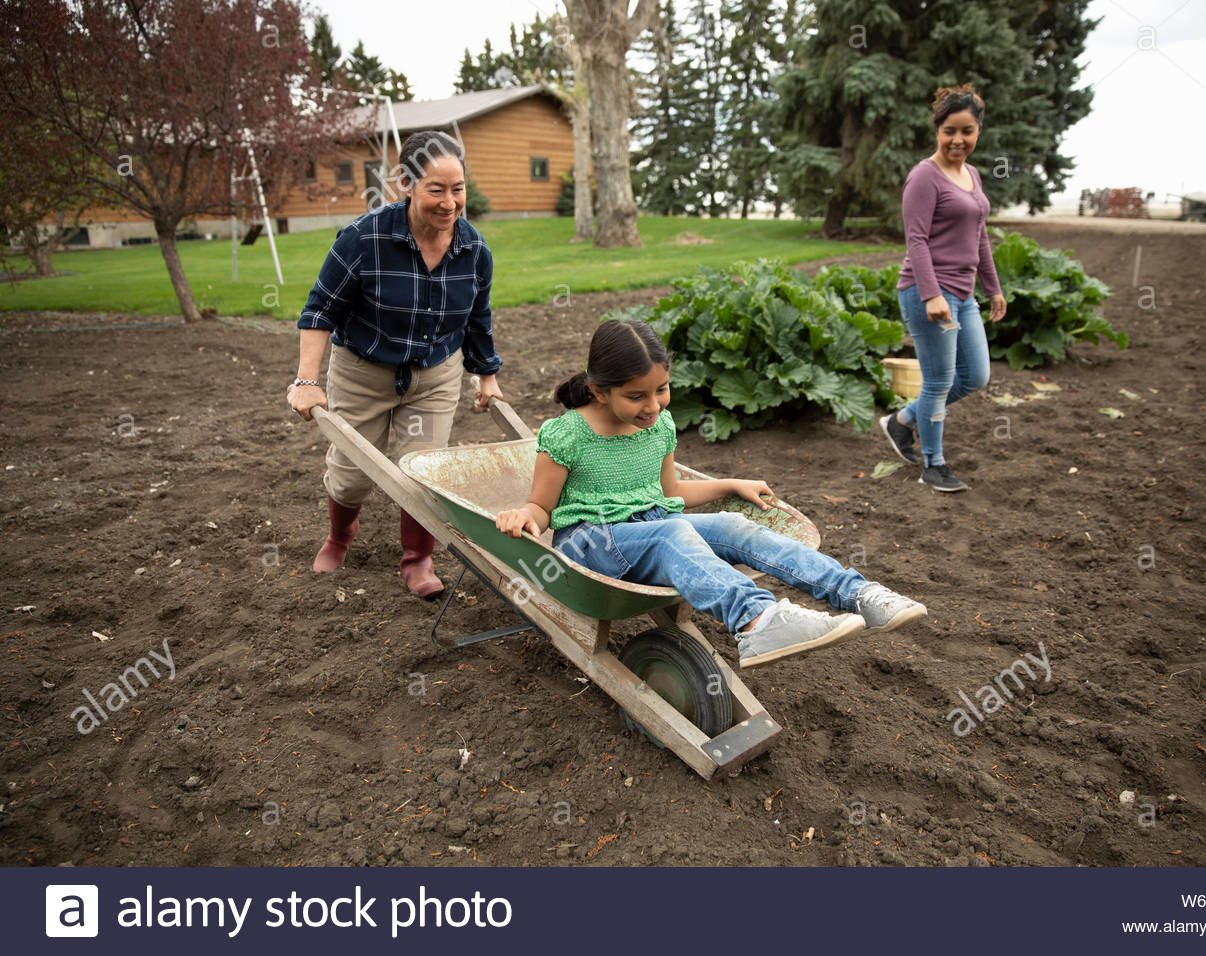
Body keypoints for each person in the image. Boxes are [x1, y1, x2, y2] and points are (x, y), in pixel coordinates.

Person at [495, 319, 927, 668]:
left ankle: (856, 594)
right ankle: (757, 621)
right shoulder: (568, 434)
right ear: (598, 390)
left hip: (650, 523)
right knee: (671, 537)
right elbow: (542, 506)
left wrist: (730, 484)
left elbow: (670, 491)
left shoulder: (660, 425)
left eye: (661, 389)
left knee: (734, 526)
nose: (653, 405)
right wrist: (525, 516)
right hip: (589, 541)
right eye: (635, 396)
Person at [287, 130, 504, 597]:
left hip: (435, 374)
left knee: (422, 470)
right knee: (349, 476)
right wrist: (306, 379)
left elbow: (477, 318)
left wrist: (486, 376)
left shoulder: (474, 251)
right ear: (405, 183)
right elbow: (320, 310)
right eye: (437, 190)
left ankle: (417, 559)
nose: (450, 203)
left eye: (458, 189)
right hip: (363, 371)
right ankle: (340, 535)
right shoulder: (364, 239)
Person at [879, 84, 1008, 492]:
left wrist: (993, 288)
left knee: (975, 376)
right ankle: (933, 465)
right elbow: (915, 240)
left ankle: (902, 421)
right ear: (937, 130)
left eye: (967, 131)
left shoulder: (971, 175)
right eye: (949, 130)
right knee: (938, 381)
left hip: (964, 295)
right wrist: (932, 294)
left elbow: (980, 236)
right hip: (927, 291)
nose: (958, 140)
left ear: (978, 132)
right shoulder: (924, 176)